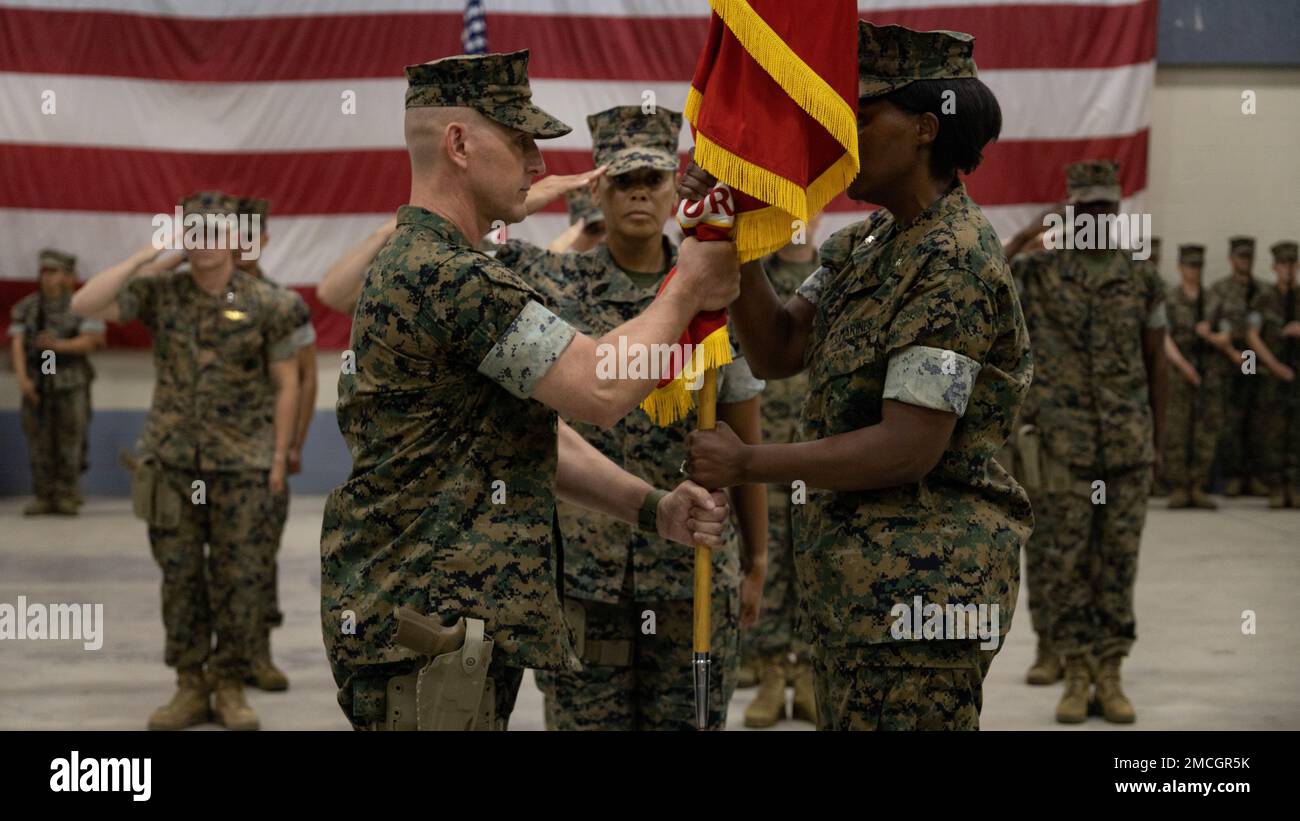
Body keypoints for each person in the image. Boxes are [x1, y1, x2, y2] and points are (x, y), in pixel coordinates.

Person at [319, 50, 740, 731]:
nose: (539, 165)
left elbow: (533, 436)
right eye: (519, 141)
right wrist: (688, 286)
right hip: (427, 631)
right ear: (458, 143)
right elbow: (599, 387)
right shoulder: (452, 278)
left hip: (447, 627)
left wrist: (651, 506)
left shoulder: (437, 267)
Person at [684, 22, 1031, 731]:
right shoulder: (862, 244)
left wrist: (748, 461)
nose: (843, 137)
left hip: (925, 588)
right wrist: (734, 229)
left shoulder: (955, 256)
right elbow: (780, 347)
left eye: (863, 119)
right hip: (858, 586)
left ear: (926, 129)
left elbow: (908, 446)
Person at [495, 105, 767, 730]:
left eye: (653, 178)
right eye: (622, 180)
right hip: (584, 579)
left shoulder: (712, 288)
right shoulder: (552, 284)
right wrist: (529, 201)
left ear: (676, 188)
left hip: (690, 572)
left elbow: (743, 433)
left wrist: (756, 561)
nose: (640, 192)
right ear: (600, 189)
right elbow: (444, 252)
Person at [71, 191, 308, 731]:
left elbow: (286, 381)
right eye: (194, 232)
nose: (206, 242)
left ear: (236, 239)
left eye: (217, 231)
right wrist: (146, 258)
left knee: (239, 577)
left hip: (242, 464)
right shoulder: (161, 293)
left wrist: (277, 459)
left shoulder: (269, 302)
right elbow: (85, 304)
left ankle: (228, 684)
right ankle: (189, 684)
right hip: (172, 463)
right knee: (180, 577)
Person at [1010, 160, 1166, 724]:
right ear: (1071, 209)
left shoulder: (1142, 275)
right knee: (1066, 563)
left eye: (1106, 207)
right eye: (1087, 207)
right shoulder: (1041, 273)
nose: (1098, 217)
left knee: (1118, 564)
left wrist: (1159, 444)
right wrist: (1031, 232)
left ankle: (1111, 672)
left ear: (1118, 211)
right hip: (1063, 451)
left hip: (1126, 447)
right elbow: (986, 276)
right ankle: (1074, 672)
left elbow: (1156, 363)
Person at [233, 196, 320, 690]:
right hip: (206, 455)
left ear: (263, 239)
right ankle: (210, 663)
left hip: (263, 448)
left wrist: (293, 445)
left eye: (251, 234)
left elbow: (305, 378)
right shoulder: (194, 295)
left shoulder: (281, 302)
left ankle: (256, 653)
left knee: (259, 553)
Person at [739, 221, 821, 728]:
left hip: (821, 450)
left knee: (813, 557)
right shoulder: (756, 284)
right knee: (764, 558)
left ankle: (809, 670)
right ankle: (770, 671)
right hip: (764, 448)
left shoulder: (837, 278)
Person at [9, 249, 105, 516]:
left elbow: (91, 340)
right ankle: (44, 494)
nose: (47, 278)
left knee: (71, 439)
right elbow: (16, 343)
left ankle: (67, 493)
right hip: (38, 381)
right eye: (44, 272)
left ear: (68, 276)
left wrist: (58, 345)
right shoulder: (28, 307)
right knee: (39, 440)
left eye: (54, 272)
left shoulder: (82, 304)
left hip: (70, 382)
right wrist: (23, 380)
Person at [1163, 244, 1232, 509]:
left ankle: (1197, 485)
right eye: (1190, 265)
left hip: (1208, 374)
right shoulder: (1170, 299)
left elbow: (1227, 337)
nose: (1194, 271)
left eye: (1198, 266)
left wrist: (1211, 336)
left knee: (1206, 430)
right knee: (1177, 429)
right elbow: (1164, 337)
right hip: (1180, 373)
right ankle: (1179, 487)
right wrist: (1182, 365)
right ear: (1180, 267)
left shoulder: (1213, 299)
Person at [1207, 237, 1265, 497]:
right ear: (1231, 259)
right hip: (1229, 362)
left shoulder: (1262, 290)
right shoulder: (1220, 290)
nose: (1245, 262)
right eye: (1241, 257)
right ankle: (1231, 476)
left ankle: (1252, 476)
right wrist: (1231, 352)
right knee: (1229, 420)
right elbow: (1210, 328)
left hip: (1256, 362)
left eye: (1249, 257)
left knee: (1255, 419)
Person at [1244, 241, 1300, 507]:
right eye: (1283, 265)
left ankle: (1295, 485)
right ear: (1274, 267)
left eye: (1292, 265)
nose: (1287, 270)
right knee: (1272, 432)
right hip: (1273, 374)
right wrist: (1274, 365)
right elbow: (1251, 336)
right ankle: (1276, 486)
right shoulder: (1264, 297)